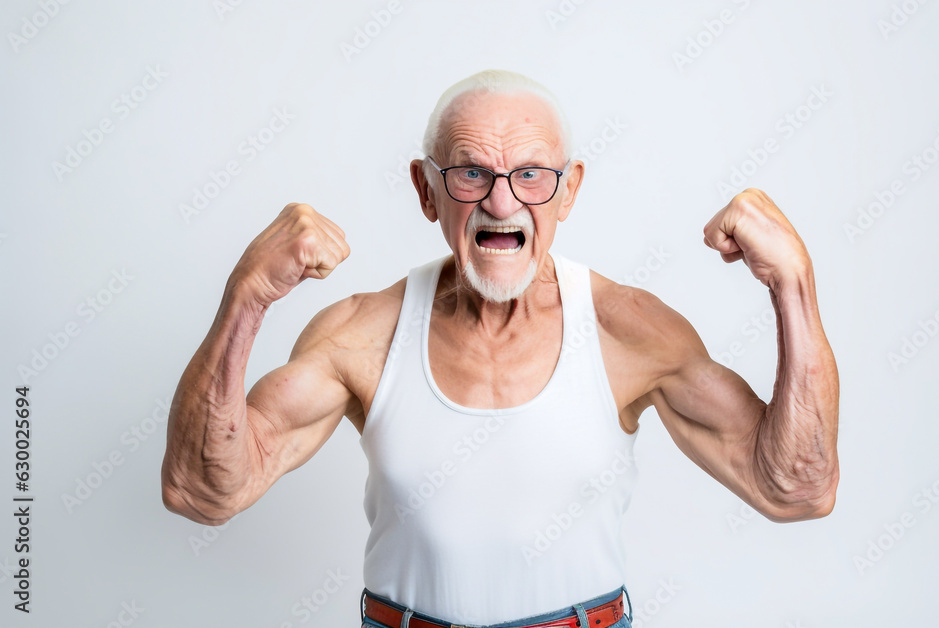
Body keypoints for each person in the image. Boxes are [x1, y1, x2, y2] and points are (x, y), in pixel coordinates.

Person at [161, 69, 839, 628]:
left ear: (569, 189)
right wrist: (245, 298)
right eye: (470, 174)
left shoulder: (629, 330)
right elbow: (201, 490)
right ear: (426, 191)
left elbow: (798, 488)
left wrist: (794, 287)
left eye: (532, 175)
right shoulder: (361, 335)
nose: (502, 201)